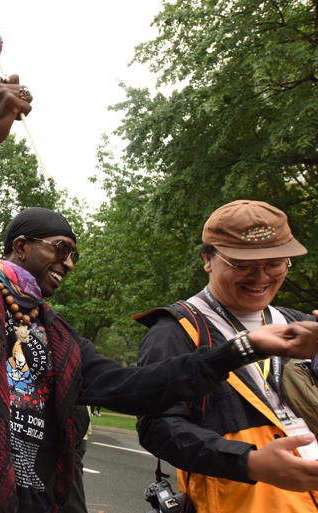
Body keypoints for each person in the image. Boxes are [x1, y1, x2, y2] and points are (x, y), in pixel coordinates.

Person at [0, 76, 318, 513]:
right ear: (21, 247)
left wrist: (242, 347)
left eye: (74, 255)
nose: (69, 264)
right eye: (61, 249)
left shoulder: (58, 336)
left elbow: (137, 386)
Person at [135, 200, 318, 512]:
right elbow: (157, 429)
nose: (261, 277)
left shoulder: (299, 324)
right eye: (242, 264)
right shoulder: (175, 332)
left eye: (275, 263)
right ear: (208, 258)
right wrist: (249, 462)